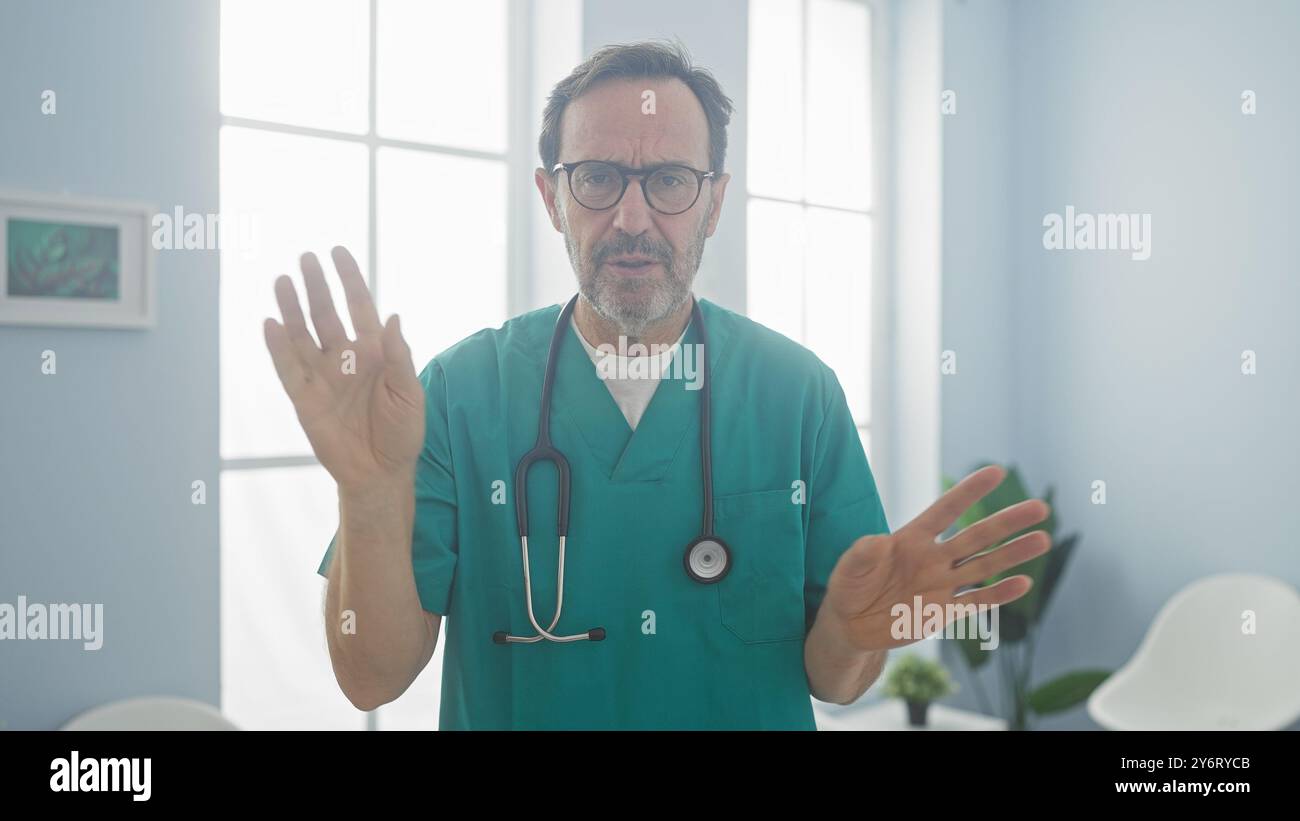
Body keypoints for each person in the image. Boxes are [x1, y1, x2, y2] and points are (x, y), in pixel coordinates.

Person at [263, 42, 1051, 729]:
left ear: (713, 201)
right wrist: (368, 491)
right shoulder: (456, 394)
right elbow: (371, 675)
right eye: (598, 177)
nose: (633, 218)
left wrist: (853, 631)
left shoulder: (799, 396)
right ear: (552, 197)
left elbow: (837, 681)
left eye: (670, 180)